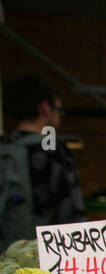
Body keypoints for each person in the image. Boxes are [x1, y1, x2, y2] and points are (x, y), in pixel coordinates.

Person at [1, 75, 86, 248]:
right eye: (59, 110)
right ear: (45, 108)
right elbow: (73, 214)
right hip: (44, 255)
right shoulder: (54, 151)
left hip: (6, 256)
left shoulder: (4, 147)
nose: (60, 117)